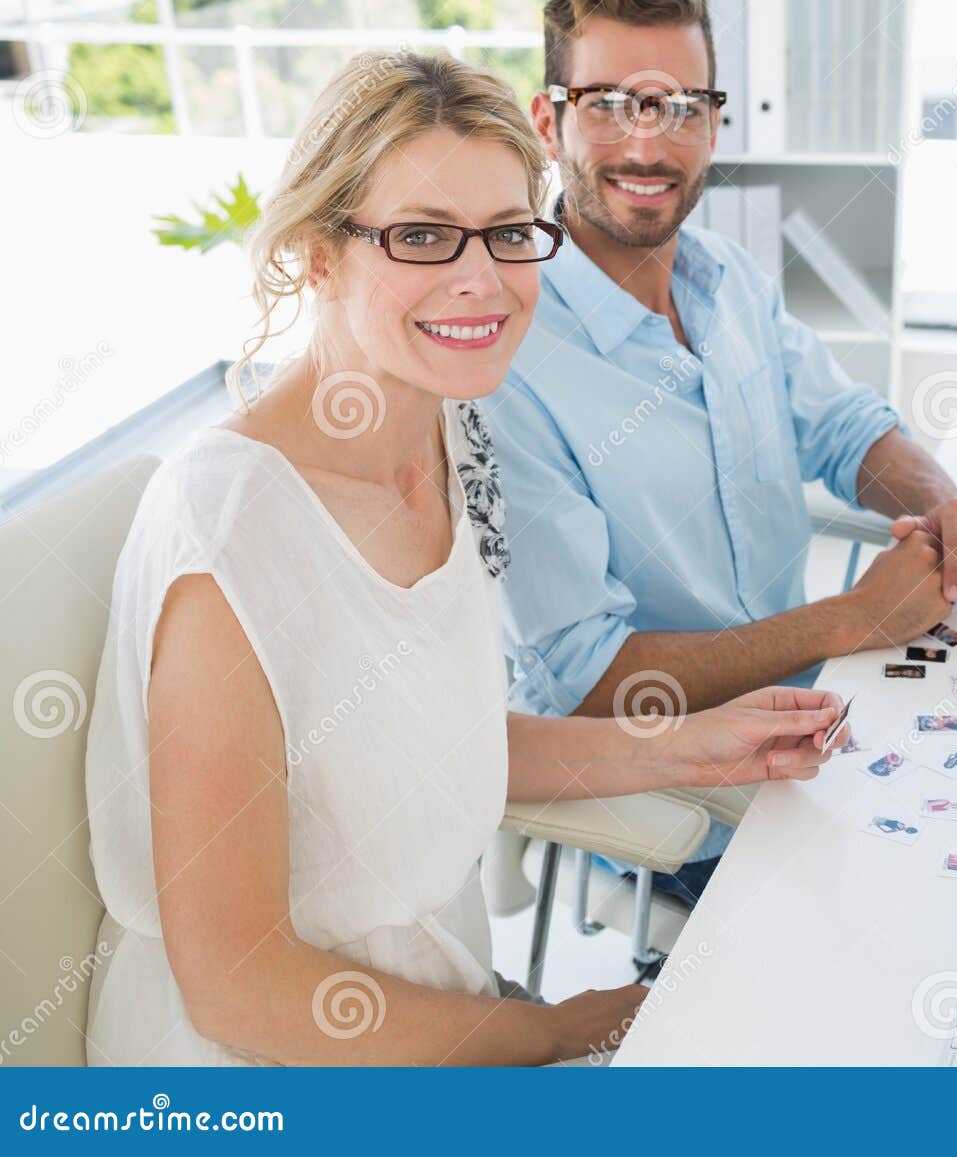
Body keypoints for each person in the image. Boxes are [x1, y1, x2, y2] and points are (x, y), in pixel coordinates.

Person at [81, 50, 846, 1067]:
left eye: (507, 234)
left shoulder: (458, 432)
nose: (482, 281)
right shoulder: (233, 523)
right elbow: (239, 986)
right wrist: (551, 1029)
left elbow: (442, 741)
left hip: (444, 1004)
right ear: (319, 253)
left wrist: (691, 743)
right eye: (424, 236)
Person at [482, 0, 957, 902]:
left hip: (834, 708)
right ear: (551, 121)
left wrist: (946, 509)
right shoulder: (508, 363)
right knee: (936, 915)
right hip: (686, 788)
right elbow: (588, 682)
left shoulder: (727, 279)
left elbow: (848, 427)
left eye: (682, 106)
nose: (649, 146)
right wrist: (848, 620)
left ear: (714, 121)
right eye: (611, 103)